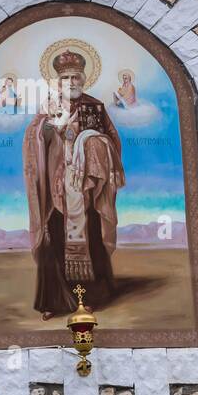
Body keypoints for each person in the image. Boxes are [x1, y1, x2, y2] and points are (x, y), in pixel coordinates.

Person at [22, 50, 125, 318]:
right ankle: (52, 302)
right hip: (56, 188)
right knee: (53, 239)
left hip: (85, 187)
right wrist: (50, 128)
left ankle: (89, 297)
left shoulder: (96, 107)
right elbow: (33, 139)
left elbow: (112, 141)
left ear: (83, 79)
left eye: (75, 77)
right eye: (65, 77)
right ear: (58, 81)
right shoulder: (49, 106)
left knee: (89, 239)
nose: (71, 81)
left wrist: (92, 142)